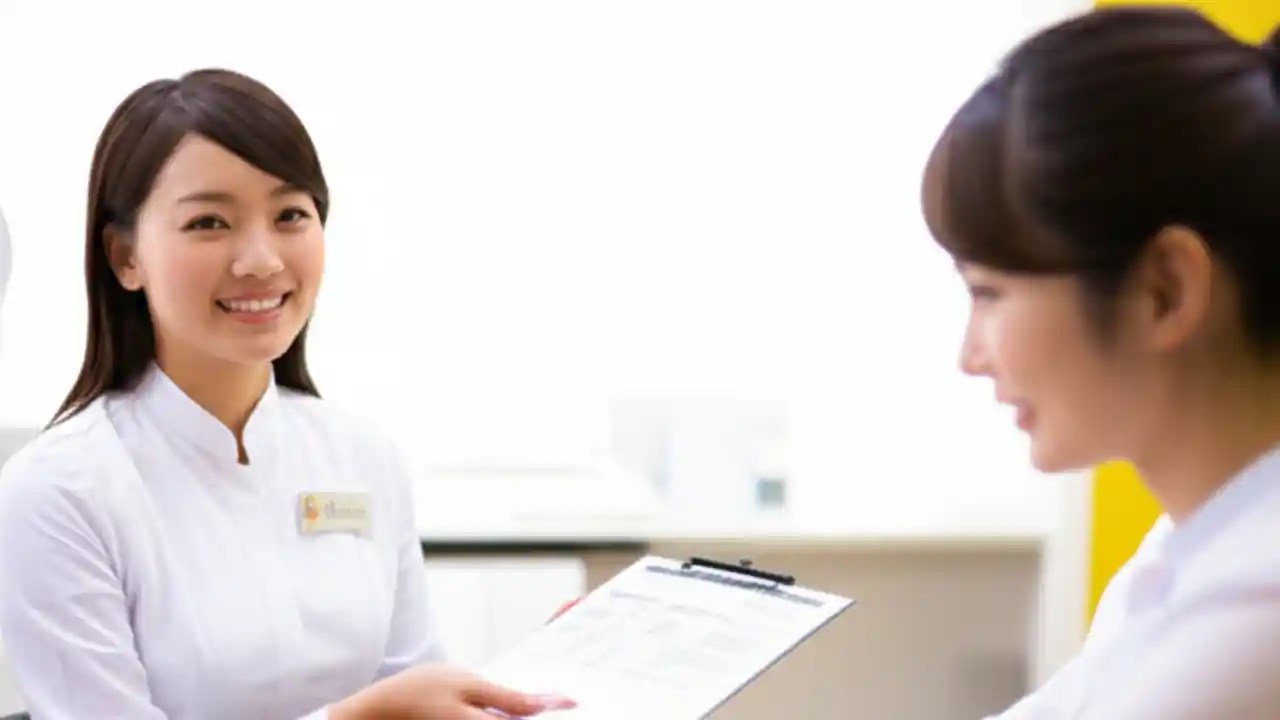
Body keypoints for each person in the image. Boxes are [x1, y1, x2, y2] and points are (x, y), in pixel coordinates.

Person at [0, 69, 575, 719]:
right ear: (124, 256)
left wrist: (544, 678)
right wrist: (356, 717)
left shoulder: (361, 455)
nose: (262, 260)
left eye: (290, 215)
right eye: (210, 222)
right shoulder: (58, 492)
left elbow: (416, 691)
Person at [923, 6, 1280, 718]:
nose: (971, 357)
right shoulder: (1192, 550)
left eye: (989, 293)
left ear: (1164, 290)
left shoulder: (1254, 609)